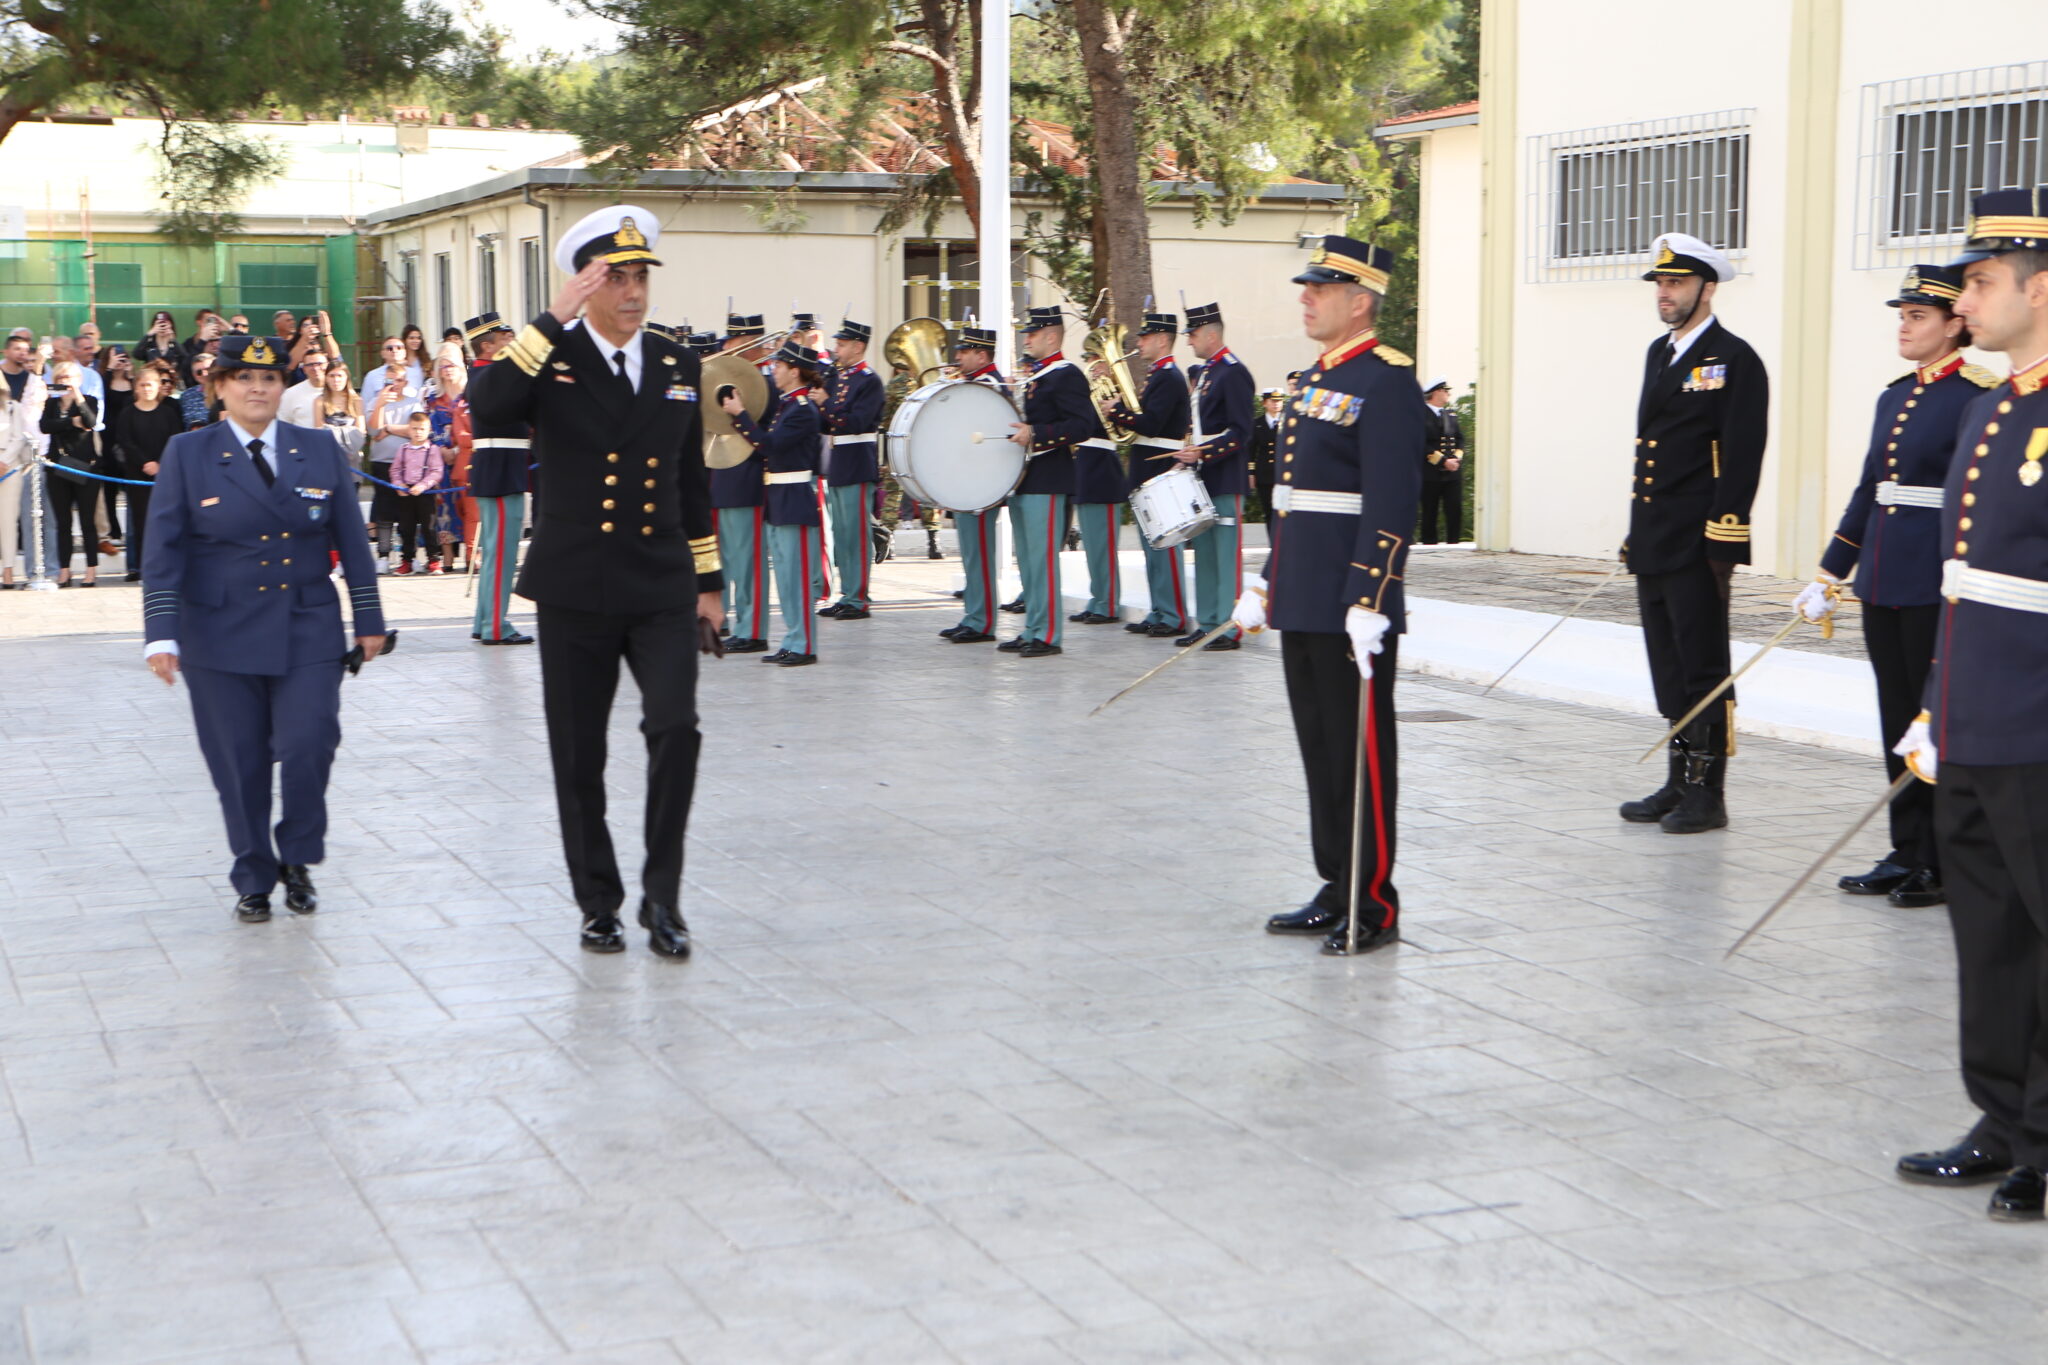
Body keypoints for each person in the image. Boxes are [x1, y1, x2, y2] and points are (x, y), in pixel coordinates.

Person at [467, 204, 725, 959]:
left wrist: (710, 580)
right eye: (616, 278)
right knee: (579, 754)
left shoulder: (678, 363)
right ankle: (598, 900)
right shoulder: (551, 354)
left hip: (660, 582)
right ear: (587, 283)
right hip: (576, 584)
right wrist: (551, 319)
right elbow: (488, 406)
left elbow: (688, 478)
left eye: (641, 276)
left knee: (676, 727)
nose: (633, 292)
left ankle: (663, 898)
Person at [1889, 190, 2048, 1224]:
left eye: (1984, 280)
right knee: (1984, 931)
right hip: (1972, 714)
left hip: (2038, 716)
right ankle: (1998, 1117)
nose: (1965, 296)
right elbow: (1961, 579)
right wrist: (1930, 707)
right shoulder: (1990, 406)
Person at [142, 333, 386, 921]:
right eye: (244, 379)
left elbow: (351, 539)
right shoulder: (188, 453)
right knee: (239, 761)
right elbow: (164, 549)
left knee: (311, 742)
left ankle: (296, 854)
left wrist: (369, 616)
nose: (258, 387)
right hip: (218, 633)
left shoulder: (318, 449)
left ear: (284, 386)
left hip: (306, 624)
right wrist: (161, 632)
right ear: (219, 387)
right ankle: (253, 873)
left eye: (270, 378)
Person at [1245, 235, 1425, 955]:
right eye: (1307, 287)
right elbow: (1293, 498)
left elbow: (1391, 499)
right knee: (1319, 747)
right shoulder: (1315, 377)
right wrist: (1267, 582)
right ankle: (1335, 881)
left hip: (1351, 603)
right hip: (1303, 592)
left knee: (1361, 751)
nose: (1305, 297)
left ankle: (1373, 901)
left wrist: (1370, 597)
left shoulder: (1386, 381)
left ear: (1360, 302)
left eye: (1320, 289)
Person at [1796, 264, 1994, 911]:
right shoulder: (1894, 395)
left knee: (1930, 721)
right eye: (1901, 316)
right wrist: (1831, 572)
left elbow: (1973, 501)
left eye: (1917, 317)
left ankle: (1941, 860)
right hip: (1883, 576)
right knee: (1894, 718)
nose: (1904, 327)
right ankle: (1905, 848)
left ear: (1954, 325)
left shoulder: (1975, 396)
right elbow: (1868, 490)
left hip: (1936, 582)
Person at [1617, 230, 1768, 836]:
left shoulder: (1736, 359)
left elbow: (1742, 457)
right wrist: (1637, 532)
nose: (1665, 293)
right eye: (1660, 282)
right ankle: (1679, 779)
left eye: (1677, 283)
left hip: (1700, 540)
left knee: (1704, 663)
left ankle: (1710, 792)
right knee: (1668, 663)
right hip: (1657, 537)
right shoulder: (1661, 352)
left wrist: (1724, 537)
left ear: (1707, 288)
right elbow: (1651, 450)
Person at [726, 336, 827, 666]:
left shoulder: (801, 410)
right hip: (780, 498)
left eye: (779, 366)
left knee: (796, 578)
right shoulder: (788, 405)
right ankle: (792, 639)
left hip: (794, 498)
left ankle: (804, 644)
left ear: (795, 371)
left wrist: (740, 415)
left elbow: (769, 446)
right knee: (784, 576)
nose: (773, 370)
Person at [1103, 311, 1192, 637]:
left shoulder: (1169, 377)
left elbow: (1152, 423)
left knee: (1165, 547)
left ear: (1163, 339)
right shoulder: (1158, 376)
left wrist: (1117, 412)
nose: (1139, 342)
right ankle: (1159, 610)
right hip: (1149, 469)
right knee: (1152, 546)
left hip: (1159, 470)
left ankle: (1173, 616)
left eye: (1145, 337)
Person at [1175, 302, 1256, 649]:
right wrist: (1188, 456)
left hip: (1224, 477)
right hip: (1204, 476)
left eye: (1193, 334)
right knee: (1205, 554)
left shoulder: (1232, 372)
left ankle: (1229, 625)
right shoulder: (1209, 371)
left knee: (1225, 557)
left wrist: (1204, 452)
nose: (1189, 341)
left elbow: (1241, 431)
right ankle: (1208, 621)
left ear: (1211, 333)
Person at [461, 313, 534, 646]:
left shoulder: (483, 374)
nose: (512, 340)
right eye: (505, 337)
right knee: (502, 554)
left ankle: (484, 620)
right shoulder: (493, 375)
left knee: (494, 552)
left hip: (498, 466)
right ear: (487, 345)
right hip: (502, 468)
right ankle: (494, 626)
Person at [709, 317, 774, 654]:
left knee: (749, 563)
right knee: (731, 561)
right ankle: (737, 622)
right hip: (722, 475)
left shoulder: (763, 382)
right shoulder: (717, 378)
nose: (727, 348)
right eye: (729, 343)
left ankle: (753, 629)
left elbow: (759, 431)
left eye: (735, 343)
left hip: (747, 476)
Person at [940, 327, 1007, 645]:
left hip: (981, 482)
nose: (957, 357)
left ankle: (983, 620)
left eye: (964, 352)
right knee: (970, 552)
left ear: (982, 355)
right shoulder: (972, 385)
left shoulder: (989, 386)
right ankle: (972, 615)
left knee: (979, 552)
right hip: (966, 479)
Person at [818, 318, 885, 620]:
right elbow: (825, 422)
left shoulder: (869, 380)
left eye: (842, 345)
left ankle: (859, 597)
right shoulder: (838, 377)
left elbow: (857, 421)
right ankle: (847, 594)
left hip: (857, 460)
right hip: (839, 462)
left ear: (858, 347)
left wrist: (826, 404)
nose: (836, 350)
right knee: (842, 532)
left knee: (856, 534)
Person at [113, 362, 181, 584]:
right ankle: (144, 568)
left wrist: (161, 464)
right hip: (137, 476)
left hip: (165, 475)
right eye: (142, 385)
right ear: (136, 388)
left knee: (166, 522)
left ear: (159, 386)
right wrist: (146, 463)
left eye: (151, 384)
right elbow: (126, 442)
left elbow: (175, 440)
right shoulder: (128, 414)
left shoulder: (169, 413)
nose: (146, 389)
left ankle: (167, 567)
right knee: (142, 523)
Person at [39, 360, 101, 586]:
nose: (66, 382)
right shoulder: (51, 404)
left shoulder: (90, 400)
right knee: (63, 522)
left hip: (86, 466)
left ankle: (91, 569)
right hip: (58, 466)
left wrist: (78, 399)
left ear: (79, 380)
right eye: (62, 378)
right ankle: (64, 569)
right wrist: (70, 422)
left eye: (71, 378)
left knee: (87, 521)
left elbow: (90, 421)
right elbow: (45, 426)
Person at [365, 349, 425, 567]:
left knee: (409, 512)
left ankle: (408, 556)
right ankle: (383, 555)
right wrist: (381, 404)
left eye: (399, 380)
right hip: (381, 462)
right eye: (391, 380)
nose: (395, 383)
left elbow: (415, 429)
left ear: (405, 381)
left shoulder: (412, 403)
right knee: (384, 511)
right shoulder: (375, 402)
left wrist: (388, 428)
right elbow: (373, 432)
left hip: (408, 462)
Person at [2, 342, 54, 586]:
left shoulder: (30, 397)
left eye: (35, 362)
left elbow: (34, 389)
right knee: (28, 518)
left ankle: (45, 570)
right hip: (19, 463)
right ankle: (34, 570)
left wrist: (40, 363)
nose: (31, 364)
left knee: (43, 519)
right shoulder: (18, 399)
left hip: (32, 462)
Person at [387, 411, 445, 575]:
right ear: (408, 430)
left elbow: (436, 472)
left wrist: (423, 485)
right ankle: (407, 561)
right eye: (414, 428)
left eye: (422, 429)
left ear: (429, 430)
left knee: (429, 527)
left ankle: (433, 560)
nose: (418, 432)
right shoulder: (403, 449)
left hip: (425, 493)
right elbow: (395, 470)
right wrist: (398, 485)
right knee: (407, 528)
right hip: (406, 493)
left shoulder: (432, 450)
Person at [1419, 378, 1465, 544]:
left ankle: (1454, 543)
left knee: (1455, 509)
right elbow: (1421, 443)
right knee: (1430, 511)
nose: (1448, 394)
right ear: (1436, 392)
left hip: (1452, 472)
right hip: (1430, 472)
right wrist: (1443, 461)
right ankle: (1429, 544)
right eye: (1445, 391)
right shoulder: (1420, 414)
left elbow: (1460, 439)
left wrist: (1456, 459)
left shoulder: (1449, 414)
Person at [1248, 387, 1284, 522]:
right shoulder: (1257, 424)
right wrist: (1251, 473)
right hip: (1264, 474)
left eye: (1279, 401)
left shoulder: (1289, 422)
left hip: (1284, 473)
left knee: (1284, 512)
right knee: (1269, 512)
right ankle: (1273, 543)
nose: (1276, 404)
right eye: (1272, 401)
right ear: (1264, 403)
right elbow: (1250, 450)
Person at [279, 350, 328, 428]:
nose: (315, 368)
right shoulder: (290, 394)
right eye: (310, 365)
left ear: (327, 365)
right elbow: (283, 425)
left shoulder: (339, 391)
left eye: (319, 364)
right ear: (304, 369)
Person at [180, 353, 219, 430]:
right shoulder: (187, 395)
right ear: (194, 375)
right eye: (199, 372)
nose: (204, 374)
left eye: (207, 369)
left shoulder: (226, 391)